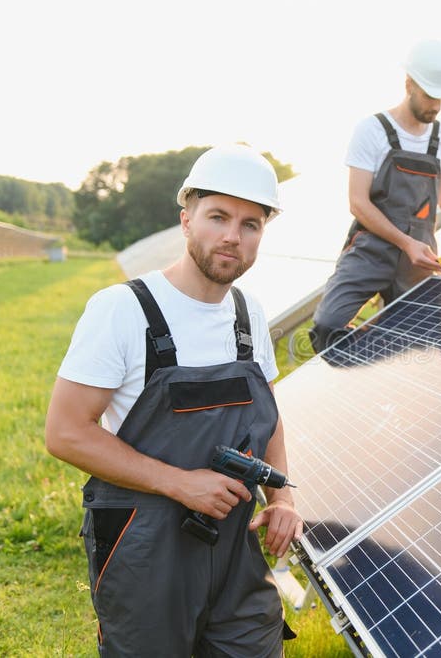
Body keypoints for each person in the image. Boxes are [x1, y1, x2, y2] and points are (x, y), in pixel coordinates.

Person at [45, 144, 303, 657]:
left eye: (251, 224)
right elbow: (66, 432)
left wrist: (282, 497)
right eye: (218, 217)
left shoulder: (248, 314)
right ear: (186, 220)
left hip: (232, 545)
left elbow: (266, 417)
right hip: (145, 547)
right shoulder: (123, 310)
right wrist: (181, 484)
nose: (233, 236)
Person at [308, 39, 441, 353]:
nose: (436, 105)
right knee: (327, 328)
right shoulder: (372, 130)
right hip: (371, 251)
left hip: (419, 258)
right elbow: (358, 202)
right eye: (430, 95)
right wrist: (405, 243)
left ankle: (391, 378)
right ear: (409, 84)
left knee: (425, 339)